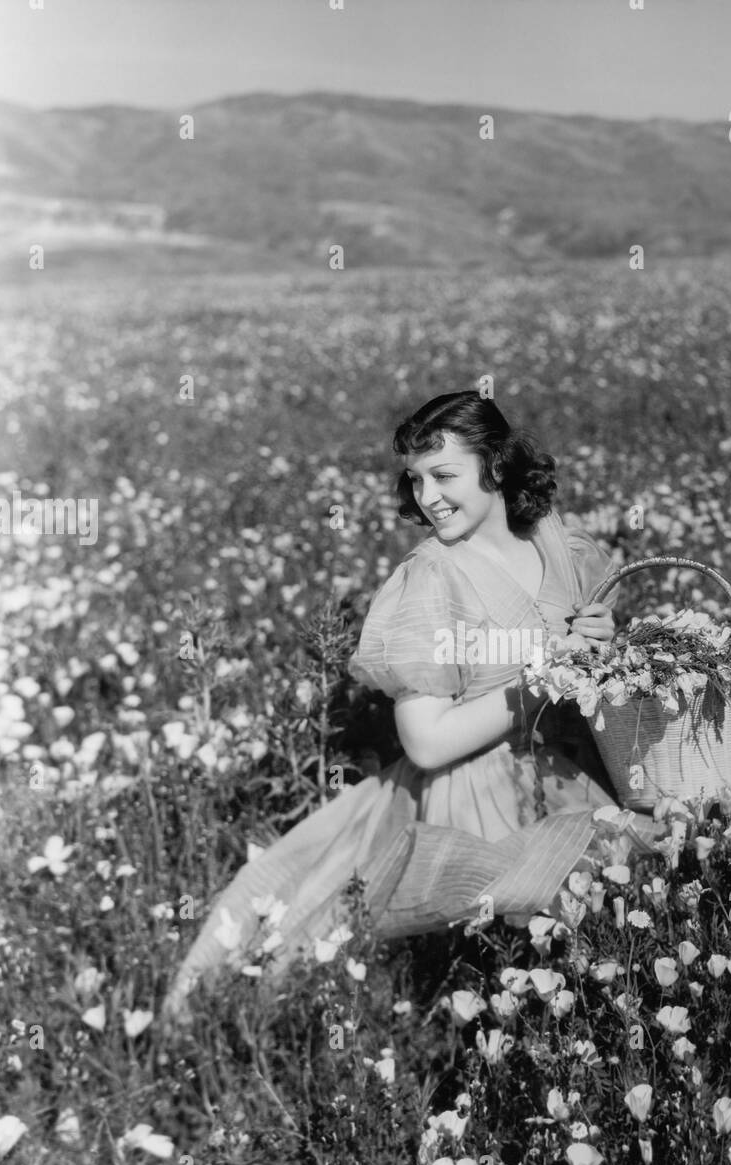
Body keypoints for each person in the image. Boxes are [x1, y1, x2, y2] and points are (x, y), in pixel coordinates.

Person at [162, 390, 654, 1020]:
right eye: (416, 480)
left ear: (497, 466)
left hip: (575, 764)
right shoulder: (431, 578)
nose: (428, 497)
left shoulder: (561, 547)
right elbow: (425, 741)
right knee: (519, 935)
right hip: (475, 784)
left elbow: (593, 666)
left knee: (641, 888)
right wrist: (542, 679)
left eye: (444, 475)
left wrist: (598, 641)